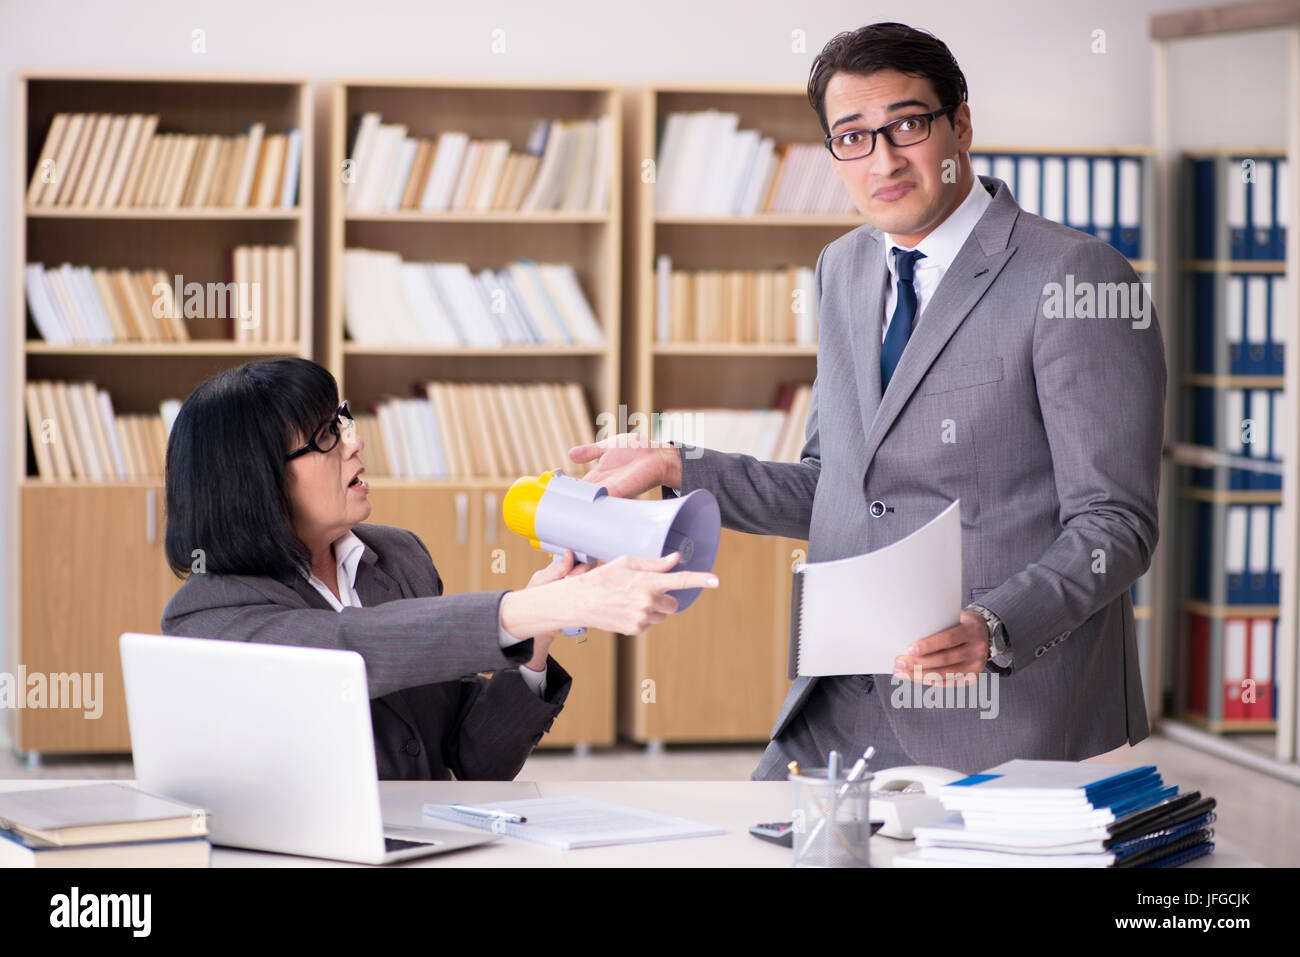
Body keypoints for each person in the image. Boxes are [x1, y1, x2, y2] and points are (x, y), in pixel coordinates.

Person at [570, 22, 1165, 777]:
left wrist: (996, 625)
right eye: (852, 137)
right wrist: (673, 463)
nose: (882, 159)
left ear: (962, 125)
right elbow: (837, 485)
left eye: (908, 125)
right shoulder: (843, 268)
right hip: (839, 700)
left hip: (1001, 708)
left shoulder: (1076, 276)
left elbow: (1116, 522)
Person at [161, 357, 717, 779]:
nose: (355, 442)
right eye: (327, 435)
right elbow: (349, 647)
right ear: (254, 480)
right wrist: (546, 606)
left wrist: (538, 638)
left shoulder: (399, 556)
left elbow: (475, 762)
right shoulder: (209, 609)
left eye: (343, 419)